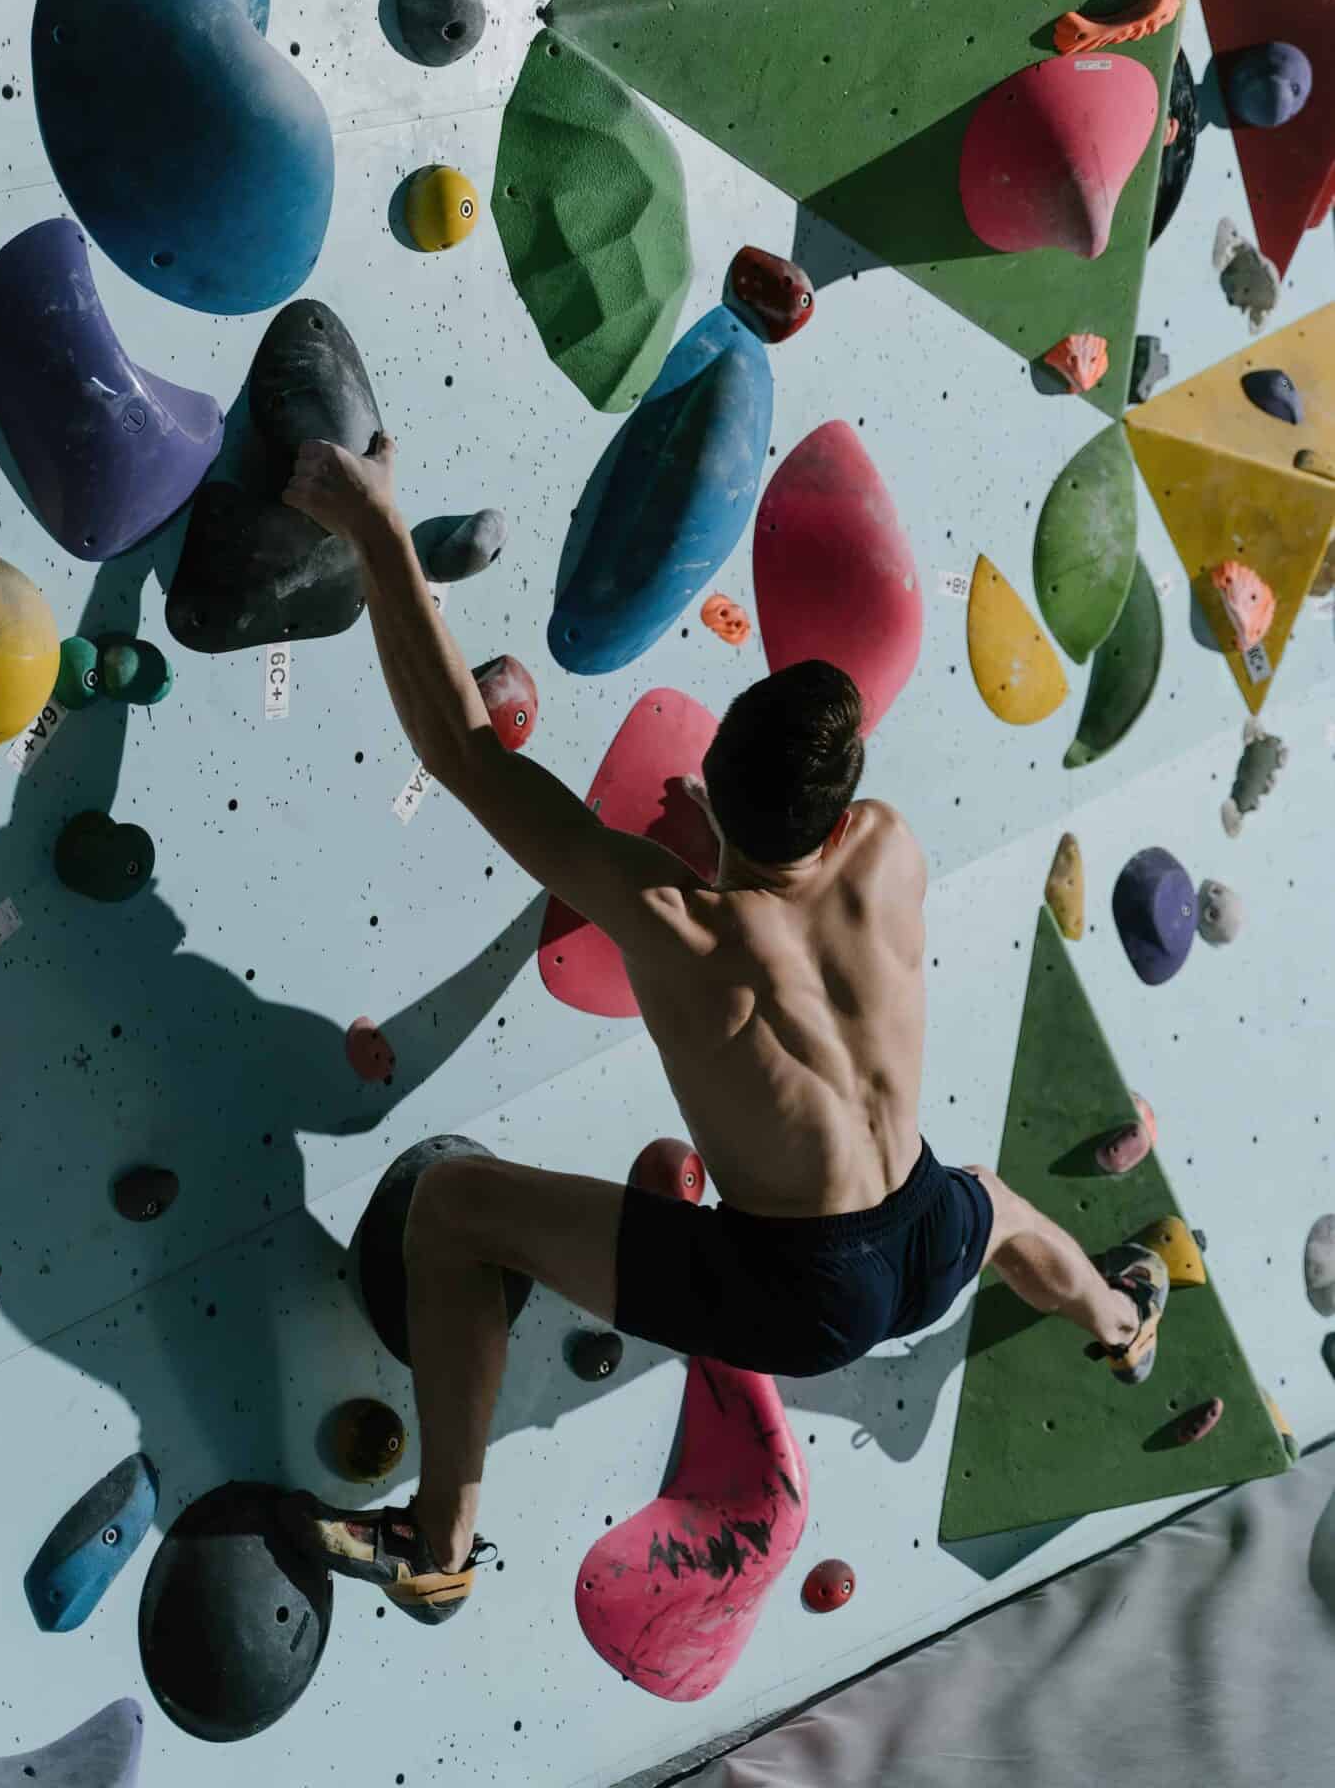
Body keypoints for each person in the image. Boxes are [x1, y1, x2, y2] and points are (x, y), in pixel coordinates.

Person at [276, 433, 1169, 1624]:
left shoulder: (677, 930)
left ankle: (438, 1543)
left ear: (717, 788)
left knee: (451, 1214)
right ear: (837, 810)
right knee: (996, 1203)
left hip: (795, 1291)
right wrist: (732, 847)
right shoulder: (889, 845)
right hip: (922, 1230)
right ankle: (1122, 1322)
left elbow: (466, 754)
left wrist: (379, 529)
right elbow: (799, 895)